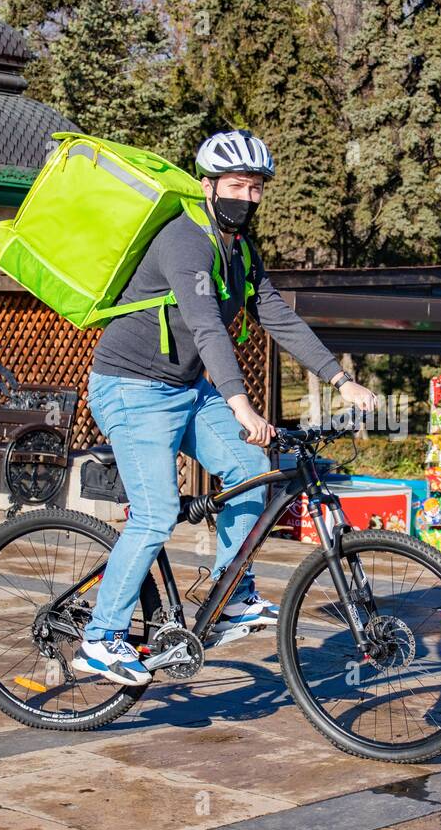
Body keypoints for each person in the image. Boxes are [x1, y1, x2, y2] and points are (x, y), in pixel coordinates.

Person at [77, 129, 376, 686]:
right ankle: (99, 640)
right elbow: (206, 325)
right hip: (132, 387)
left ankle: (231, 596)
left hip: (185, 389)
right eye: (237, 184)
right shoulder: (184, 238)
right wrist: (241, 405)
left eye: (257, 187)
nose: (249, 196)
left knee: (251, 469)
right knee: (156, 513)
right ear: (209, 185)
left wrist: (340, 378)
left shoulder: (240, 250)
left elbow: (278, 318)